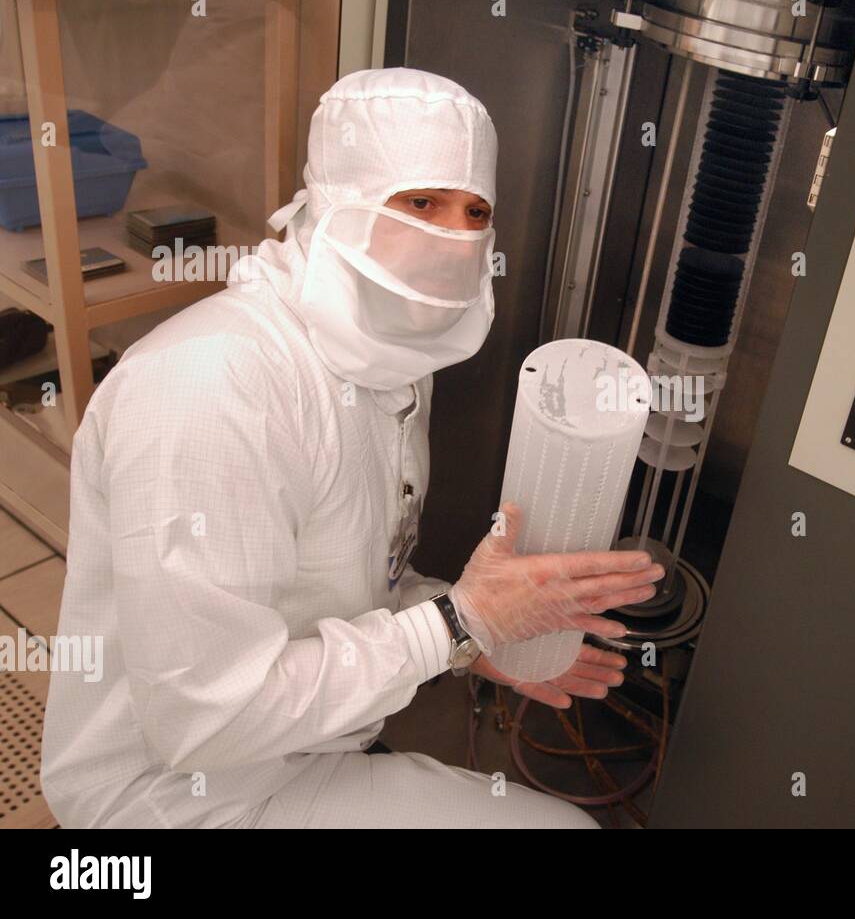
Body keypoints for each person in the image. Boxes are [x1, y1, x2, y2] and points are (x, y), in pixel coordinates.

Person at [40, 68, 664, 828]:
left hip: (303, 749)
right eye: (421, 203)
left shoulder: (385, 357)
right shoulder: (208, 388)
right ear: (336, 202)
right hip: (173, 799)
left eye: (476, 212)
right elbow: (204, 720)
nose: (455, 239)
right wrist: (459, 626)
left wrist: (478, 633)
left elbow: (343, 586)